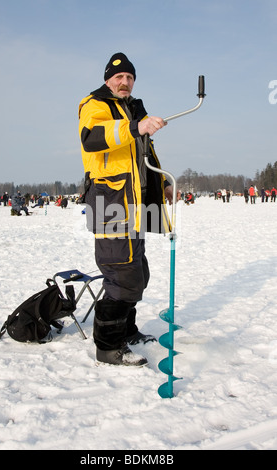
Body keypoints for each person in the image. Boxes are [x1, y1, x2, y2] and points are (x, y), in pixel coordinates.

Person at [78, 52, 174, 367]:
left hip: (135, 203)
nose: (125, 82)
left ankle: (127, 331)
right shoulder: (95, 104)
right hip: (110, 202)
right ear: (108, 79)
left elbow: (145, 152)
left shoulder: (131, 109)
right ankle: (108, 347)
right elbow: (93, 138)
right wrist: (135, 126)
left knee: (137, 272)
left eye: (130, 77)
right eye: (119, 77)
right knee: (123, 275)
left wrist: (163, 183)